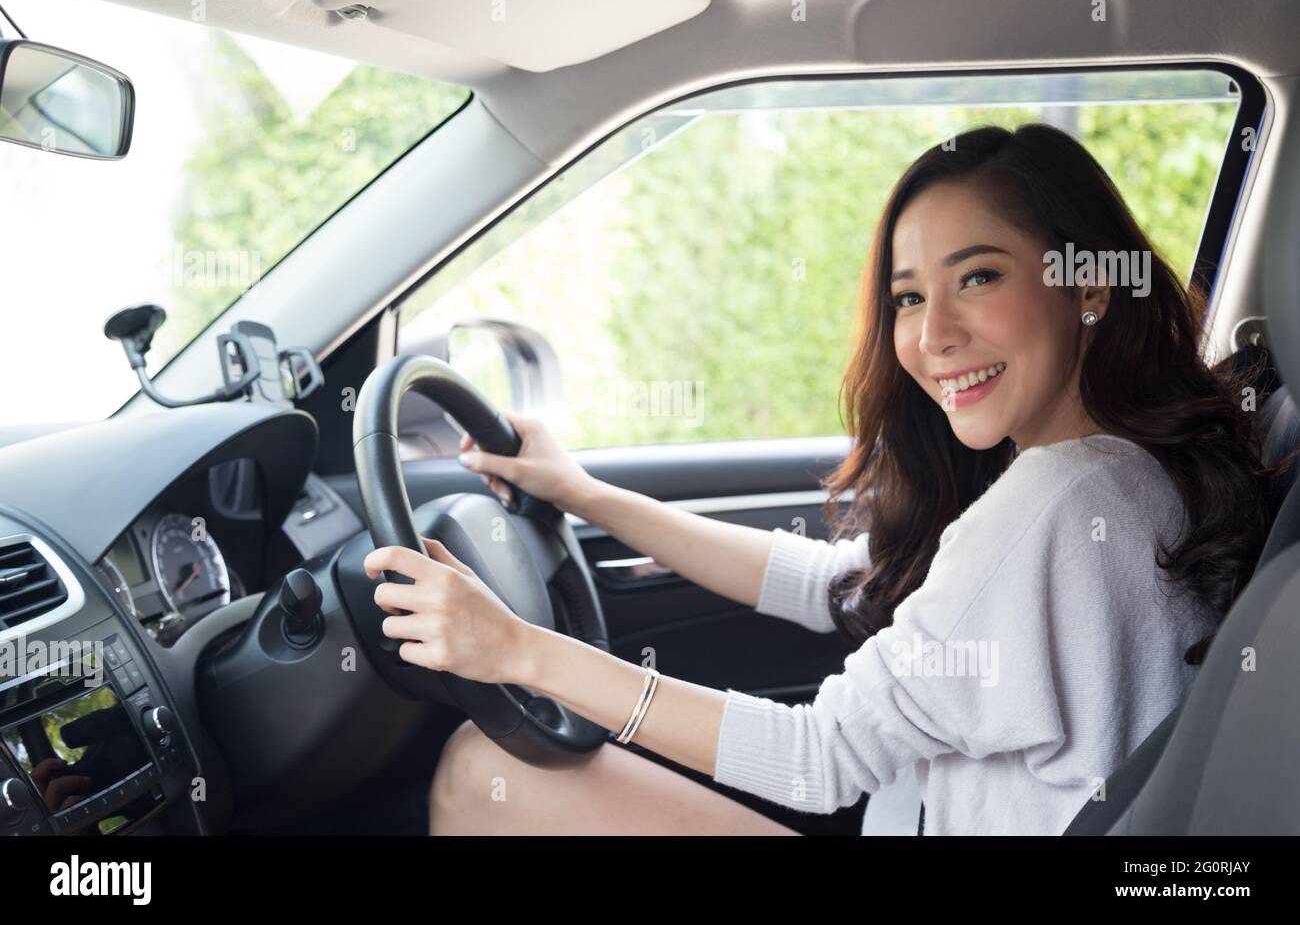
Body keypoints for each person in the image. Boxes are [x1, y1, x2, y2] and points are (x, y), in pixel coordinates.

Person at [364, 123, 1276, 835]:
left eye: (981, 277)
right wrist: (587, 494)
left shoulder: (1060, 503)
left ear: (1087, 286)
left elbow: (817, 757)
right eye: (910, 297)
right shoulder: (1128, 470)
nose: (930, 336)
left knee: (481, 780)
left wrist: (518, 651)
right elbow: (843, 583)